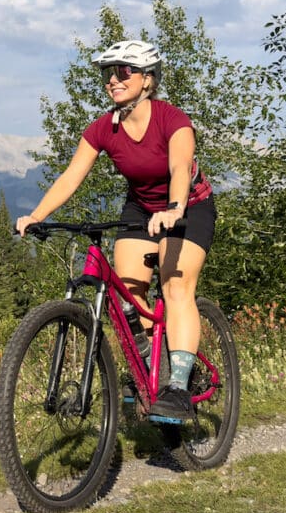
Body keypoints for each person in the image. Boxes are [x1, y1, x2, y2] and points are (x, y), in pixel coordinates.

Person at [15, 39, 214, 423]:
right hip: (141, 208)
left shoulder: (173, 120)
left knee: (175, 288)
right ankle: (146, 371)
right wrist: (36, 215)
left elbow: (179, 170)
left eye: (124, 72)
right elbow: (72, 176)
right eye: (110, 73)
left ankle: (178, 386)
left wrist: (174, 209)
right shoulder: (104, 128)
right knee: (129, 292)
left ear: (148, 80)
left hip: (189, 206)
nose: (113, 80)